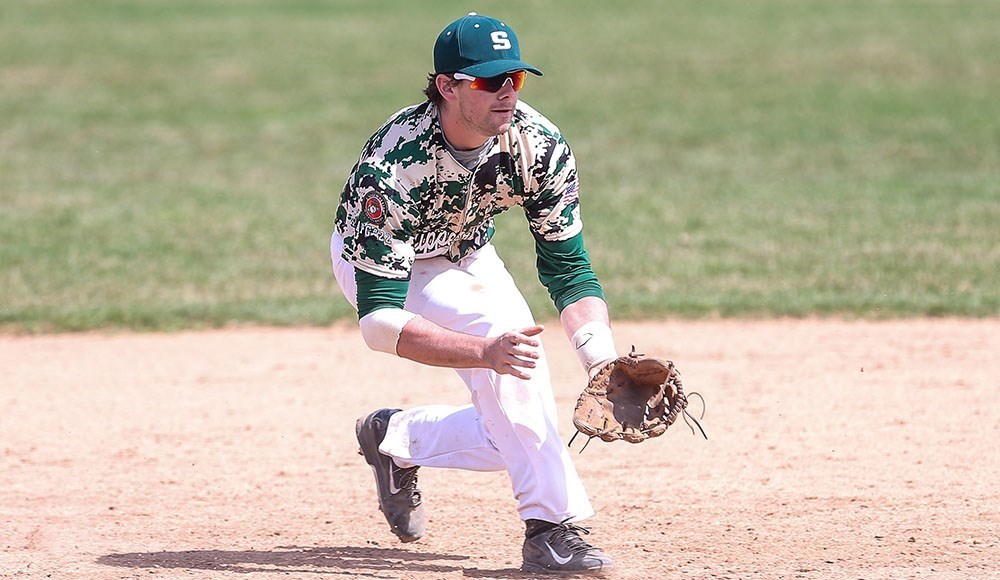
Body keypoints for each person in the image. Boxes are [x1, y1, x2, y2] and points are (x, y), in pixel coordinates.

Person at [331, 12, 621, 575]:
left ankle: (392, 436)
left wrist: (601, 360)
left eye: (515, 79)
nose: (507, 93)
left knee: (510, 427)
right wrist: (483, 353)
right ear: (447, 86)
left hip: (466, 251)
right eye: (490, 81)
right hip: (385, 265)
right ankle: (551, 530)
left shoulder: (538, 144)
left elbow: (568, 269)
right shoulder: (391, 167)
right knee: (510, 364)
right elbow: (380, 324)